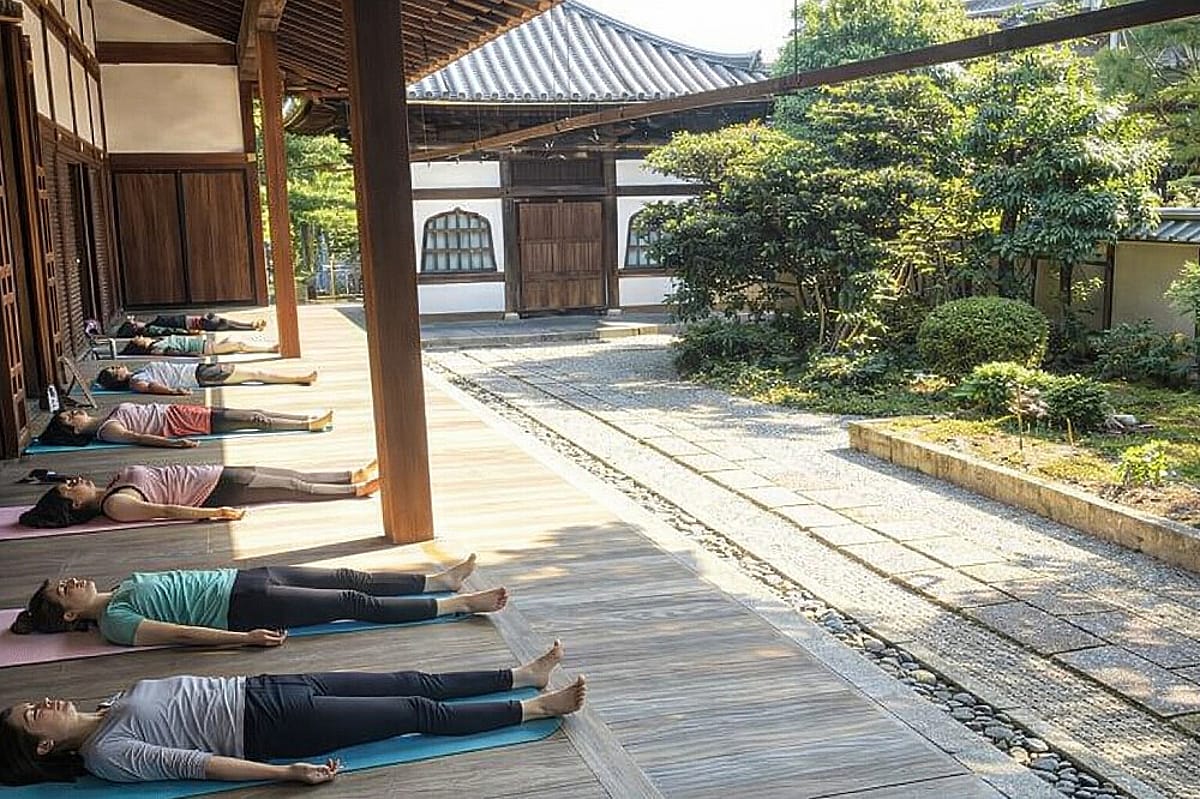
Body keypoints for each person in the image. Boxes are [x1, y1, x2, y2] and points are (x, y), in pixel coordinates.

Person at [0, 642, 586, 786]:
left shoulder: (105, 708)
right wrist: (286, 772)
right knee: (414, 710)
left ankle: (521, 675)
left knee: (407, 679)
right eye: (35, 716)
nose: (44, 703)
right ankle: (535, 707)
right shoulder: (106, 755)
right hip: (273, 728)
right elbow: (197, 763)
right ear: (44, 747)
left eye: (34, 701)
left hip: (266, 687)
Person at [8, 554, 503, 647]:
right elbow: (180, 634)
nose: (71, 581)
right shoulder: (115, 621)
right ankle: (458, 605)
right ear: (70, 613)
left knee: (347, 576)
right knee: (353, 600)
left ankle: (436, 580)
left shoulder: (119, 587)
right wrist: (241, 638)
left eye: (64, 579)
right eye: (64, 590)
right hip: (244, 609)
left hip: (244, 578)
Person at [17, 462, 381, 529]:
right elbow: (168, 510)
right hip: (213, 489)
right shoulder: (116, 504)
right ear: (76, 504)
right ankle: (354, 490)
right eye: (69, 488)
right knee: (292, 489)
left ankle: (350, 474)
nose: (74, 482)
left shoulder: (109, 486)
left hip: (214, 472)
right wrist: (214, 514)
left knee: (291, 474)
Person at [37, 404, 333, 449]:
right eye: (68, 418)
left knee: (252, 412)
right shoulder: (107, 430)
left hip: (181, 410)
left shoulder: (106, 414)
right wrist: (175, 443)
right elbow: (140, 437)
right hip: (181, 422)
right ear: (73, 431)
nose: (73, 413)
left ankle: (303, 418)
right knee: (252, 421)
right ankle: (308, 425)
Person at [96, 362, 317, 395]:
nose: (119, 366)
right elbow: (149, 386)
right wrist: (174, 392)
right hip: (199, 375)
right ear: (118, 378)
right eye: (115, 369)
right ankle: (298, 378)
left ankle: (297, 378)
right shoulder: (136, 381)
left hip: (200, 370)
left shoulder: (137, 373)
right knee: (254, 374)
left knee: (252, 374)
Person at [115, 313, 267, 338]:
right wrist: (190, 333)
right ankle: (250, 326)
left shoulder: (151, 324)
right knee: (224, 324)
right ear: (135, 328)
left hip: (194, 321)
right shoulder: (151, 328)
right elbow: (170, 331)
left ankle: (250, 325)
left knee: (224, 323)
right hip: (193, 324)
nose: (138, 321)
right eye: (135, 322)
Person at [120, 335, 278, 358]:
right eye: (137, 339)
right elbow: (174, 352)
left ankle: (265, 347)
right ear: (139, 345)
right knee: (239, 345)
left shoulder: (156, 341)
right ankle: (270, 349)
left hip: (204, 343)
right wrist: (195, 355)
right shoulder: (156, 349)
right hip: (203, 348)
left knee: (233, 341)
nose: (140, 336)